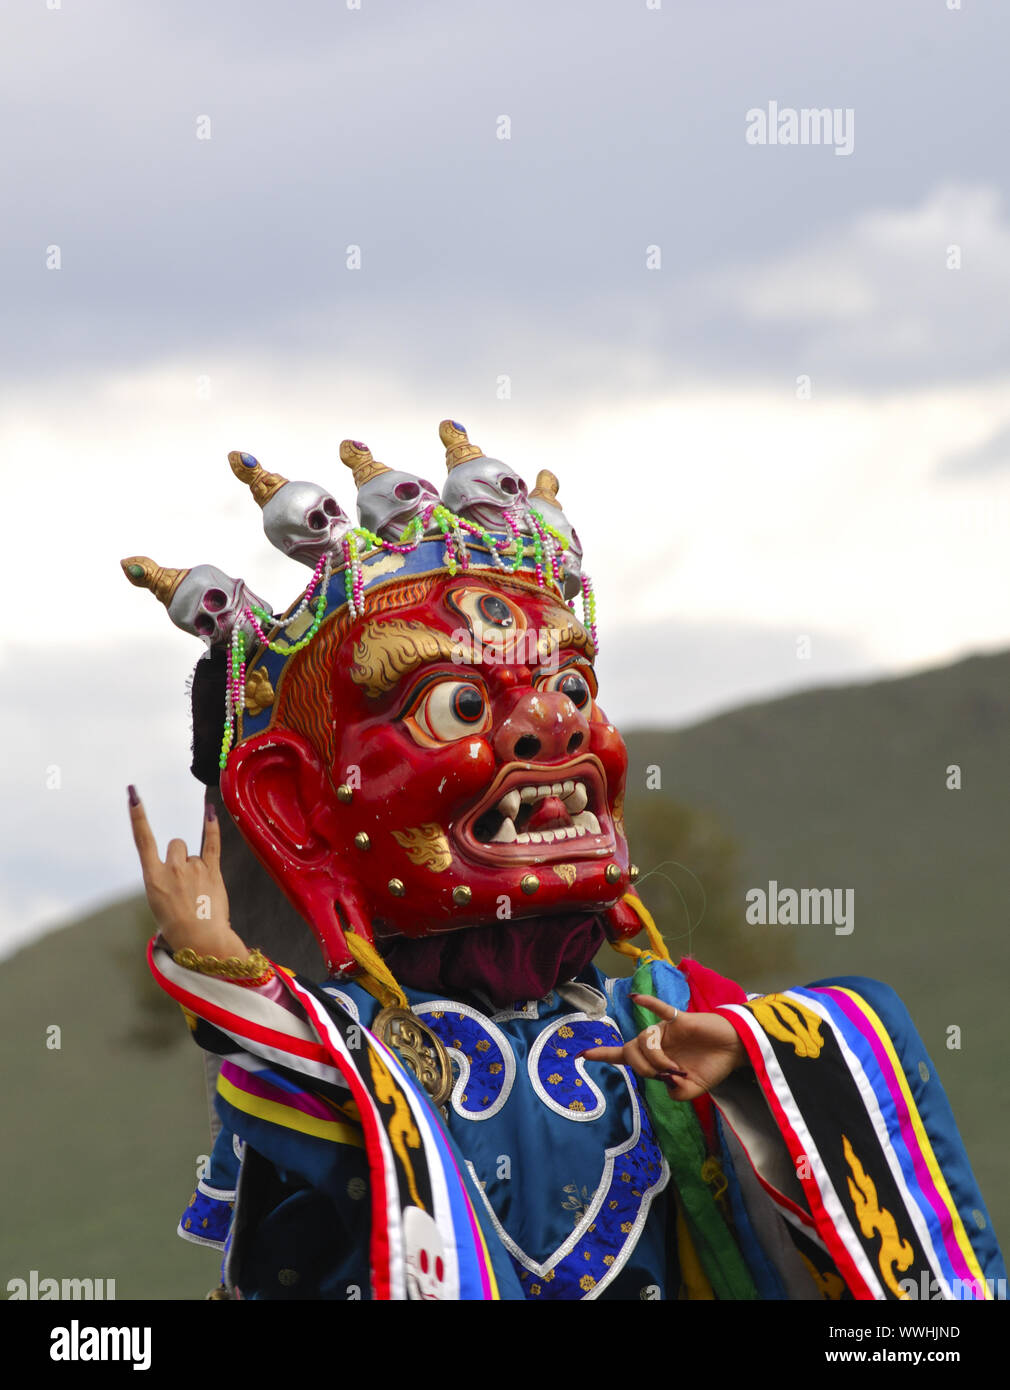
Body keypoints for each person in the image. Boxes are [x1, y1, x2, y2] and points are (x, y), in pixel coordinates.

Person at [124, 423, 1004, 1301]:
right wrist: (226, 965)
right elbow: (311, 1096)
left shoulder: (674, 1016)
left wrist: (751, 1057)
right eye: (458, 705)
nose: (558, 726)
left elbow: (850, 1072)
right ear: (291, 805)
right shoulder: (352, 1050)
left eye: (572, 686)